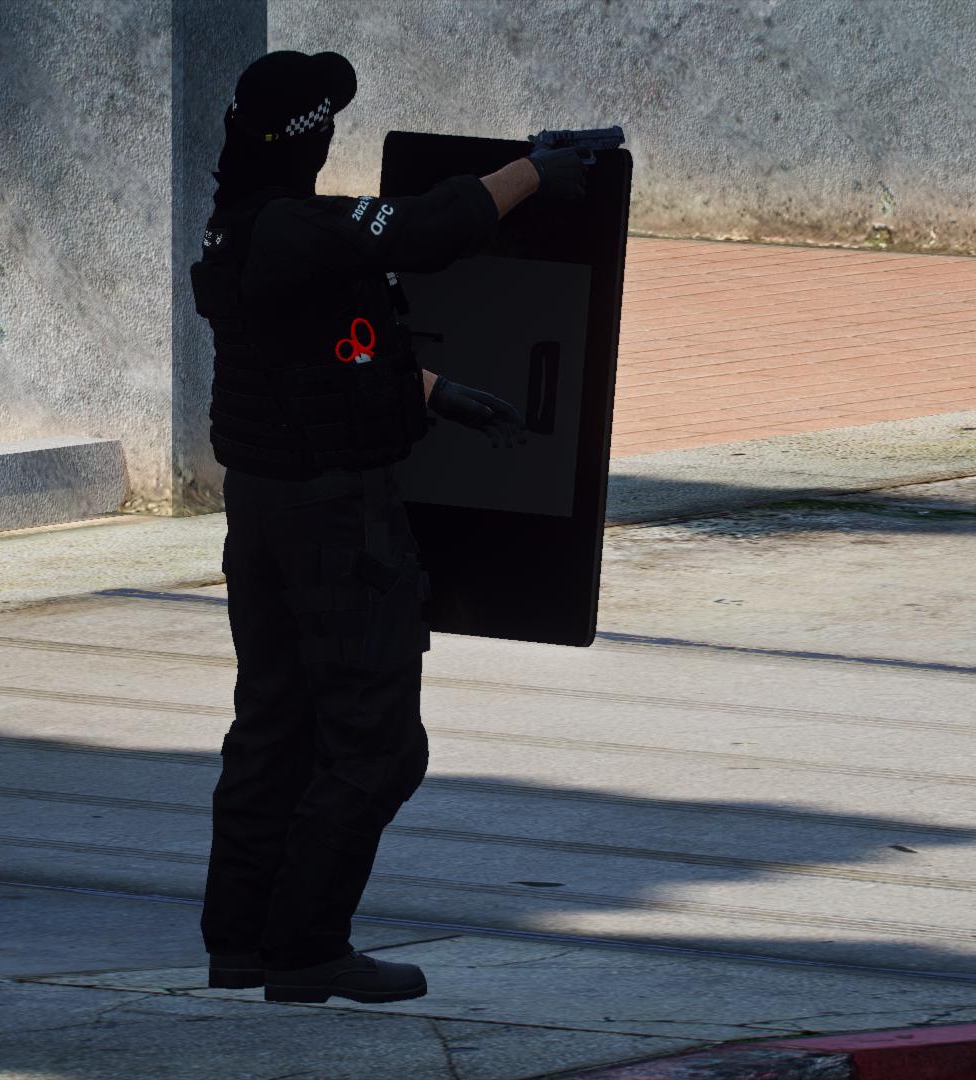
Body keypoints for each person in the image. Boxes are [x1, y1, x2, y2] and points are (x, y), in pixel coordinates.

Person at [191, 49, 590, 1005]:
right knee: (377, 745)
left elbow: (310, 364)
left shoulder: (239, 228)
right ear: (310, 137)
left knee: (275, 725)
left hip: (266, 507)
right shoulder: (298, 227)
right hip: (334, 520)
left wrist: (434, 391)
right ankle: (306, 948)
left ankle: (241, 942)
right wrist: (535, 173)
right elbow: (425, 229)